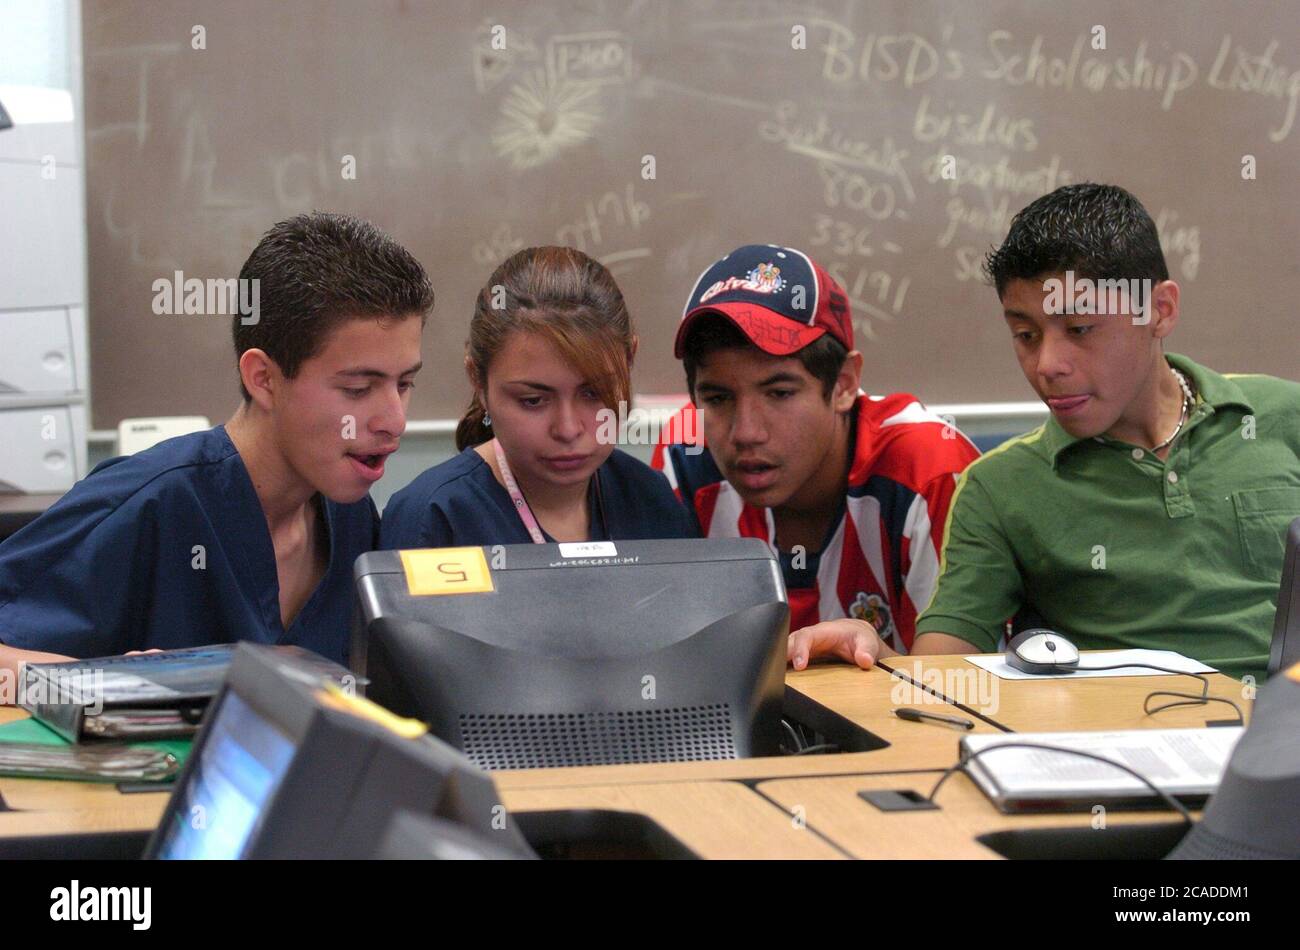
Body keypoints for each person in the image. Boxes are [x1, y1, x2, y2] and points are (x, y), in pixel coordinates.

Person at [791, 184, 1300, 681]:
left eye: (1079, 329)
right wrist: (873, 657)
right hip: (1136, 752)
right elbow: (941, 679)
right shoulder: (999, 489)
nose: (1047, 365)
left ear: (1159, 310)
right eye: (1025, 335)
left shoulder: (1280, 416)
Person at [0, 212, 432, 683]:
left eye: (404, 384)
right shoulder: (150, 503)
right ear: (264, 379)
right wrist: (96, 681)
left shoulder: (350, 517)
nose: (394, 421)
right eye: (356, 389)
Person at [654, 244, 980, 656]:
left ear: (843, 384)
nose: (746, 432)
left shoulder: (928, 469)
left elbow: (966, 704)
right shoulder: (685, 453)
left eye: (779, 393)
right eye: (718, 398)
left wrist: (880, 665)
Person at [380, 246, 694, 549]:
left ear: (629, 361)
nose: (568, 429)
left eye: (593, 393)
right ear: (477, 378)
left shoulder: (652, 499)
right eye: (533, 401)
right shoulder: (433, 519)